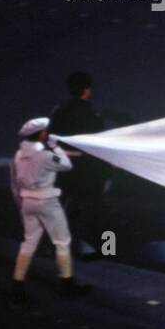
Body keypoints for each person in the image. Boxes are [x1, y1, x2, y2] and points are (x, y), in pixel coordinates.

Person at [10, 117, 91, 303]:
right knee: (62, 242)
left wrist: (19, 203)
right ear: (42, 134)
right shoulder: (45, 155)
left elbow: (14, 182)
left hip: (27, 201)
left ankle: (17, 285)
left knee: (28, 243)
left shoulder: (18, 155)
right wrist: (56, 147)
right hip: (47, 202)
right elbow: (66, 165)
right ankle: (67, 284)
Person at [50, 70, 110, 259]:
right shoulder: (90, 113)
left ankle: (68, 249)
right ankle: (98, 250)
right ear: (86, 90)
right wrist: (107, 172)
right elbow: (98, 144)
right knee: (93, 212)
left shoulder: (59, 110)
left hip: (66, 171)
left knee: (70, 211)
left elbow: (52, 140)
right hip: (89, 172)